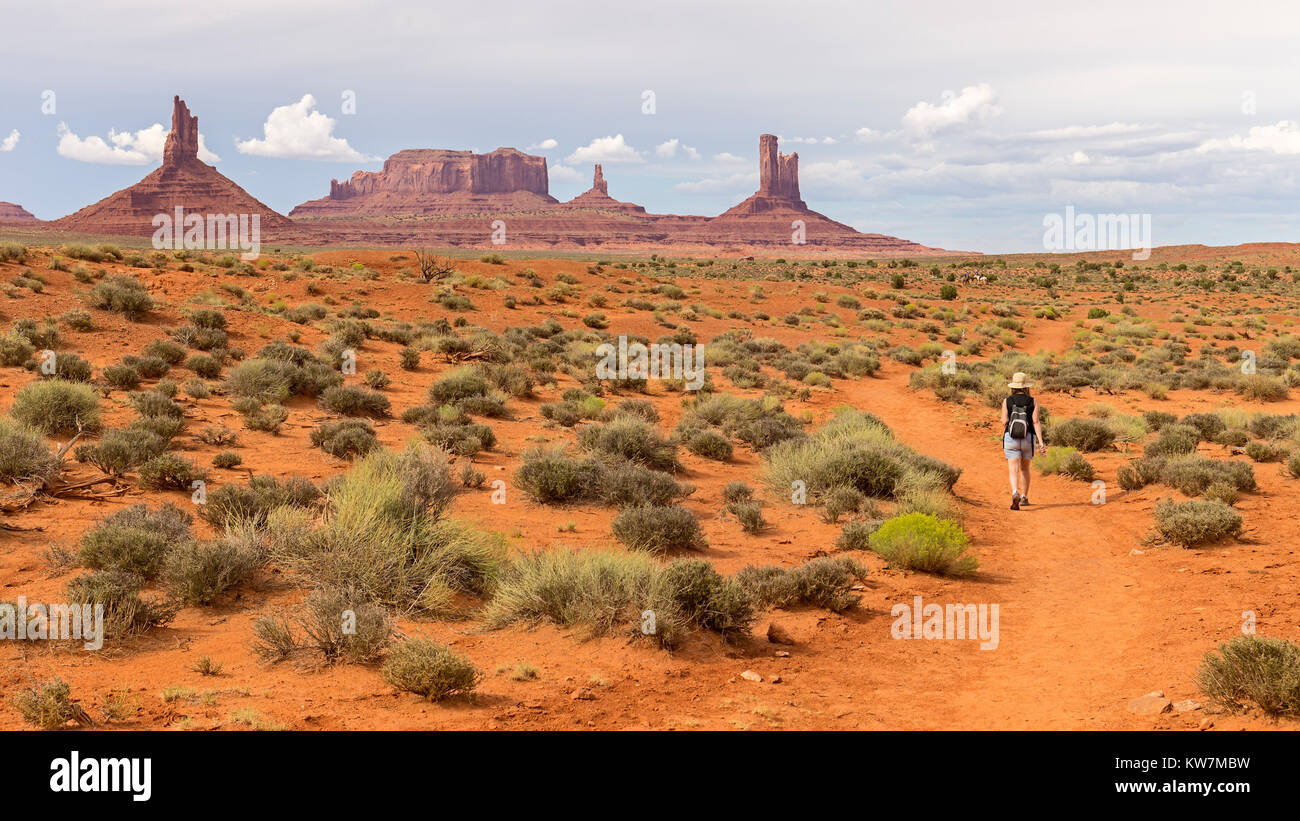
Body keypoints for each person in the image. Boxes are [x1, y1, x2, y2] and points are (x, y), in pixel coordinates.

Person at [1001, 372, 1046, 510]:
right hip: (1028, 437)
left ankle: (1015, 492)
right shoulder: (1033, 401)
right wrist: (1041, 442)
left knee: (1013, 469)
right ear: (1026, 386)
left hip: (1011, 437)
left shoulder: (1007, 401)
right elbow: (1036, 421)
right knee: (1025, 468)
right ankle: (1024, 497)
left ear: (1013, 386)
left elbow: (1004, 421)